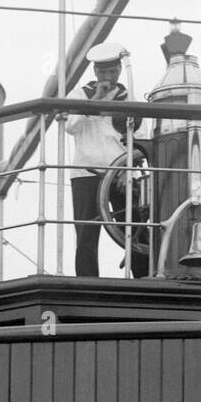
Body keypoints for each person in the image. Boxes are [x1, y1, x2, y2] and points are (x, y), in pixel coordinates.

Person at [65, 43, 142, 278]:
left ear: (119, 70)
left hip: (121, 173)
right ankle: (87, 280)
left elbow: (141, 141)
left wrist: (126, 169)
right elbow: (70, 126)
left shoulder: (130, 100)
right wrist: (95, 100)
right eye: (103, 72)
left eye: (112, 71)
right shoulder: (80, 95)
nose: (107, 76)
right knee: (86, 233)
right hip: (86, 174)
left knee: (135, 226)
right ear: (95, 72)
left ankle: (142, 275)